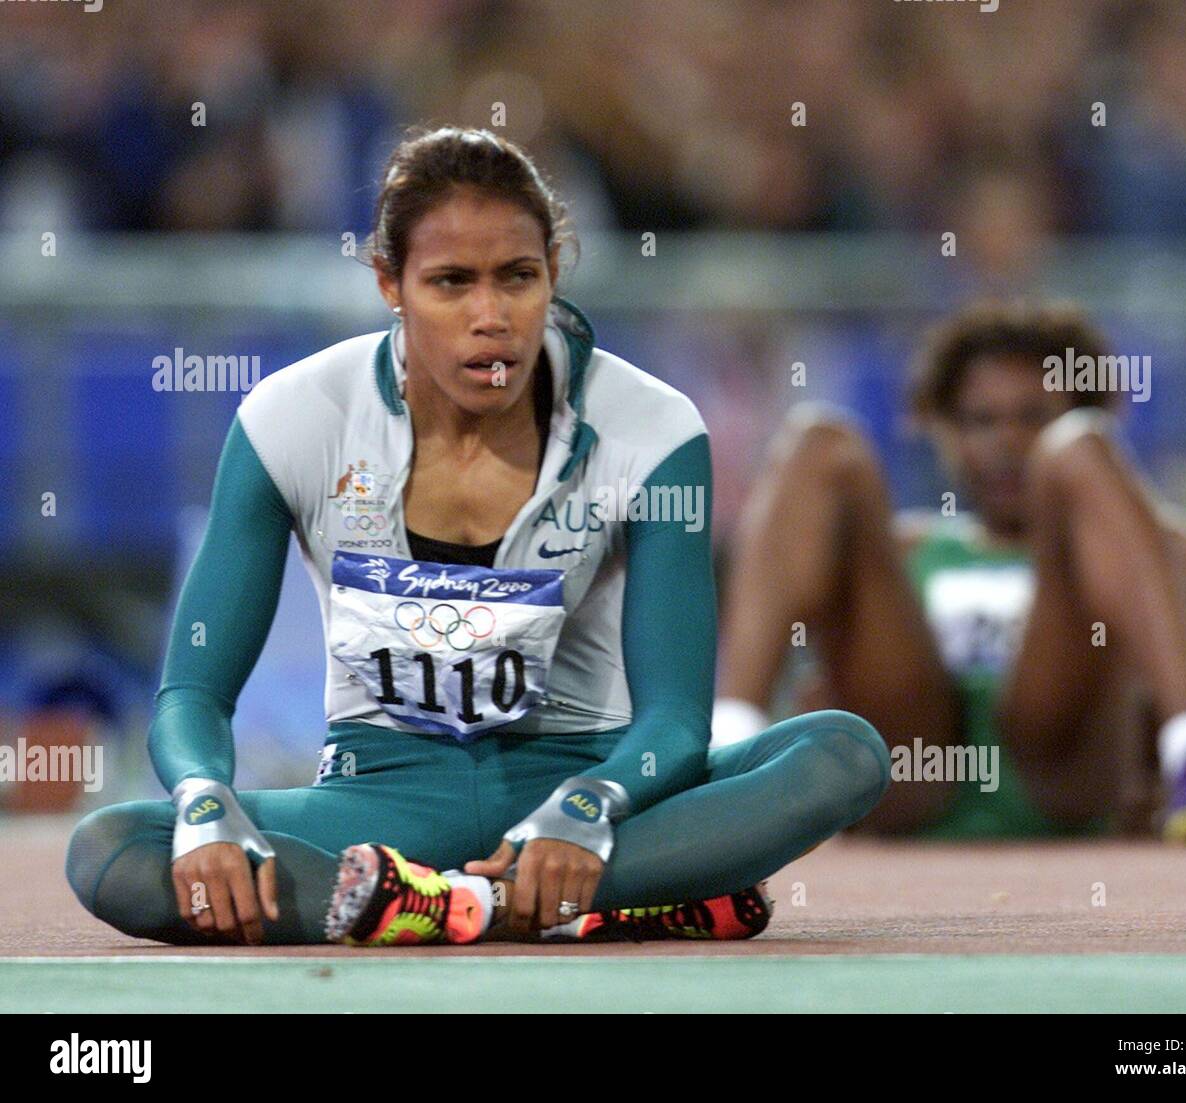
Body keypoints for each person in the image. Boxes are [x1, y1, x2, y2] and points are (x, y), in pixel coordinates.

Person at [65, 126, 890, 947]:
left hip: (584, 790)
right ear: (391, 283)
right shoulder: (291, 416)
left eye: (518, 278)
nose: (491, 318)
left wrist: (590, 805)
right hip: (379, 799)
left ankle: (431, 906)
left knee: (844, 753)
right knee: (113, 850)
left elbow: (675, 718)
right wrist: (206, 805)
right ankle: (597, 897)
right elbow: (193, 695)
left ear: (555, 273)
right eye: (451, 283)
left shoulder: (654, 428)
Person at [713, 302, 1186, 843]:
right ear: (942, 430)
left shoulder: (1164, 546)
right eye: (981, 421)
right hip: (910, 771)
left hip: (1064, 771)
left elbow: (1172, 662)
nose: (1008, 443)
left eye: (1034, 418)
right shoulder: (902, 548)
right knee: (820, 440)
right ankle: (727, 750)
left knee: (1078, 449)